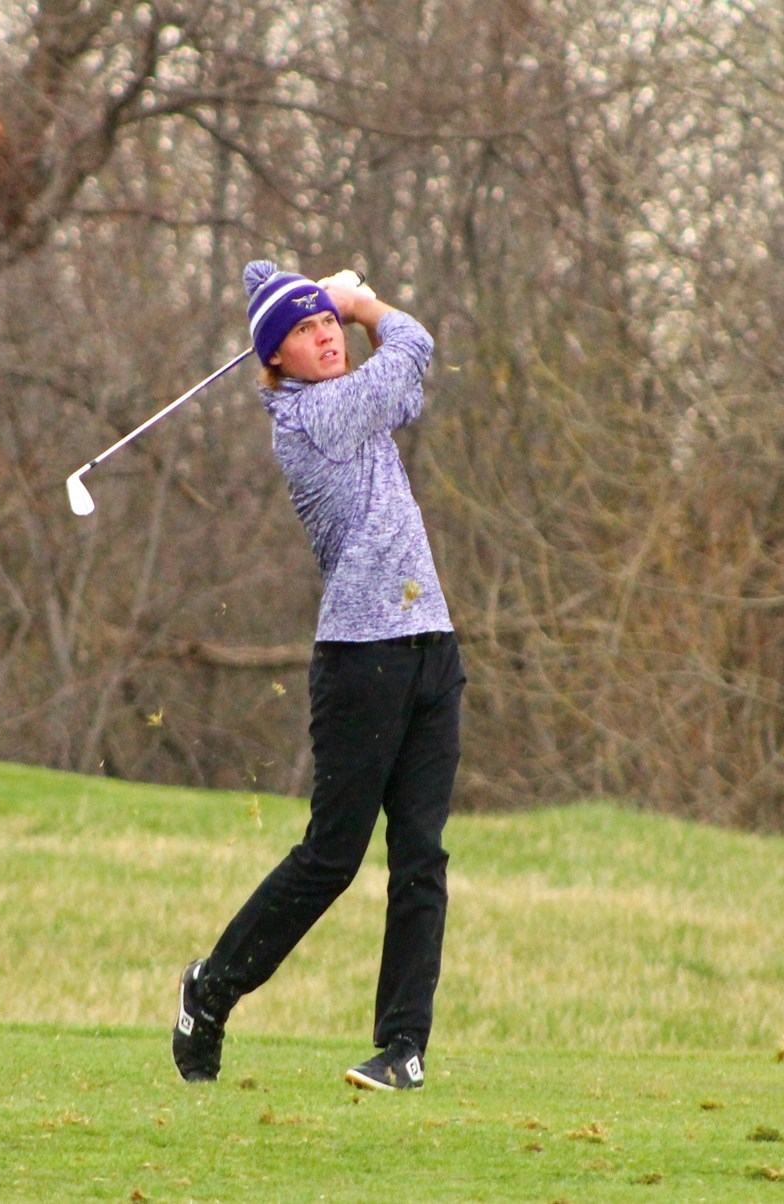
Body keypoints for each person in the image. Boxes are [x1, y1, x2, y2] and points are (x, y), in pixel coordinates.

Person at [172, 260, 465, 1091]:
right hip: (361, 661)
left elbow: (410, 377)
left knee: (421, 858)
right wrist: (358, 301)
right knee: (332, 857)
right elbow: (411, 345)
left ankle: (403, 1047)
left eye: (326, 323)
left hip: (430, 647)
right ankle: (210, 990)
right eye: (304, 330)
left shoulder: (352, 403)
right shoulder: (310, 420)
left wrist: (337, 307)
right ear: (276, 362)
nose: (326, 335)